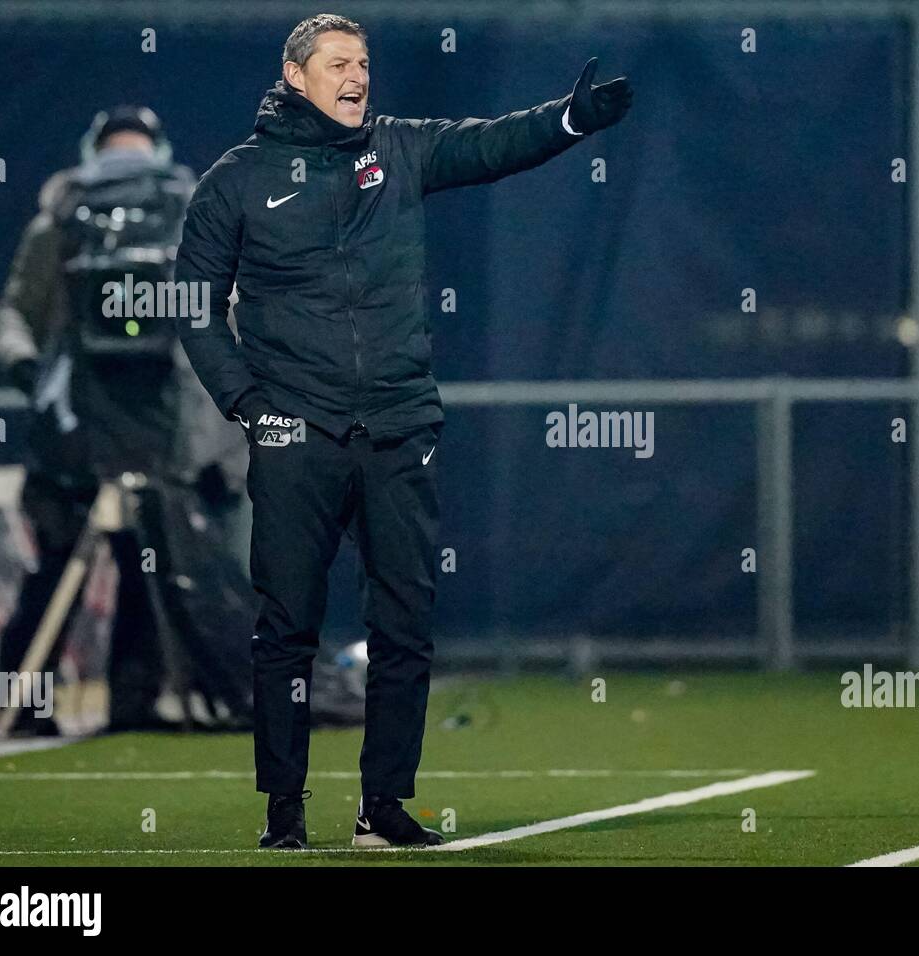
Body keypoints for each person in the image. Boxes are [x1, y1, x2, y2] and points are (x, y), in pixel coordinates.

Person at [175, 13, 632, 849]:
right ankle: (284, 812)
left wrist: (568, 122)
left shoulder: (402, 148)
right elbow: (192, 307)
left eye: (365, 63)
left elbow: (491, 145)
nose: (359, 76)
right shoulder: (234, 182)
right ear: (295, 74)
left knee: (405, 627)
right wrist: (248, 406)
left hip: (398, 424)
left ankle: (381, 807)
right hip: (296, 432)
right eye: (341, 63)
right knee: (286, 631)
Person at [0, 107, 247, 736]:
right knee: (150, 569)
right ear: (158, 148)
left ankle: (26, 705)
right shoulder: (190, 210)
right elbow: (225, 321)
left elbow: (15, 315)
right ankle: (133, 706)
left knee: (53, 572)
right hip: (164, 432)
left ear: (94, 146)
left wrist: (32, 376)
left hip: (72, 430)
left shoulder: (62, 215)